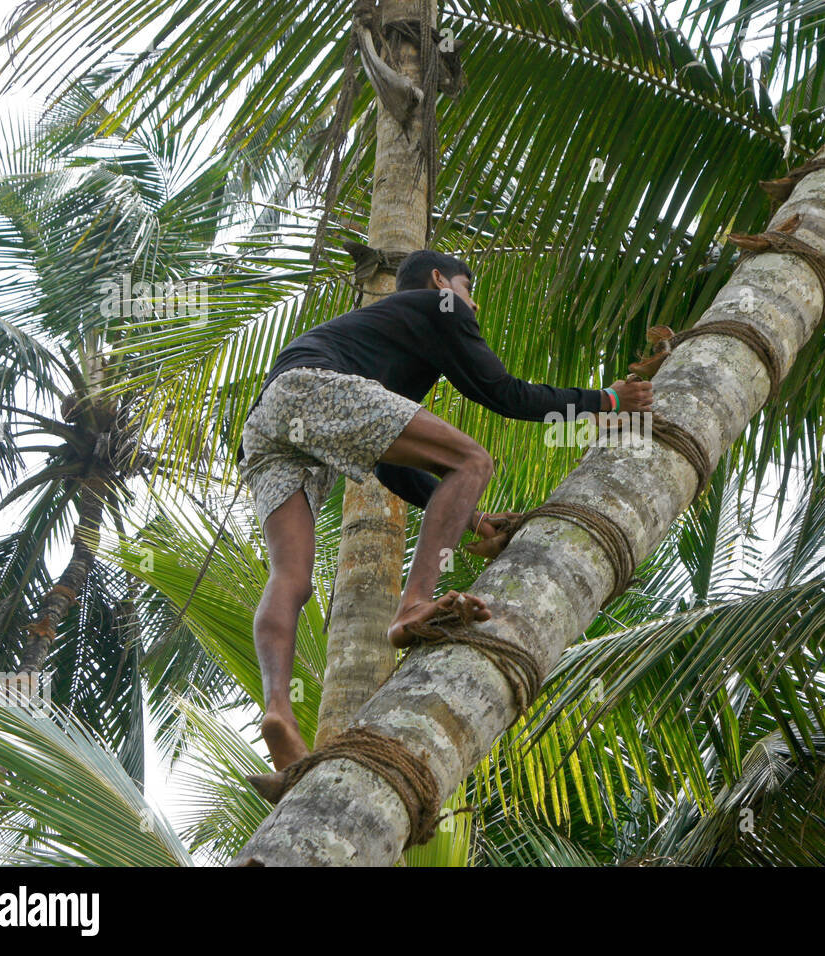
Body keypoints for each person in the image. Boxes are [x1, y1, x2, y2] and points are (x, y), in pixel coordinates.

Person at [237, 249, 654, 769]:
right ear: (439, 280)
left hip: (269, 423)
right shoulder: (442, 307)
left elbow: (390, 467)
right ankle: (413, 604)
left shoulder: (388, 343)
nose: (474, 304)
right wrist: (605, 400)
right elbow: (504, 394)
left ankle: (279, 711)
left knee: (291, 577)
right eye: (467, 286)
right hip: (314, 390)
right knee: (474, 461)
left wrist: (476, 520)